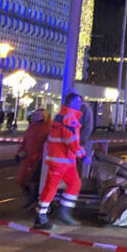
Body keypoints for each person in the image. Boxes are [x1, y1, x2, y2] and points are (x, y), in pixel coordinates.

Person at [34, 93, 87, 230]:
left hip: (64, 160)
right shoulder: (70, 118)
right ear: (71, 103)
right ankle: (41, 217)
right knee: (51, 187)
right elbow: (71, 140)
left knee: (74, 183)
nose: (80, 104)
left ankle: (63, 213)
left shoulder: (62, 116)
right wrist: (83, 155)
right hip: (61, 160)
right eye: (78, 102)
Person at [15, 109, 51, 206]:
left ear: (44, 116)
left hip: (39, 159)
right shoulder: (32, 127)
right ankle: (30, 199)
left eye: (38, 114)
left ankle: (35, 200)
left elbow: (48, 144)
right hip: (28, 158)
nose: (35, 116)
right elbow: (25, 142)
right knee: (22, 180)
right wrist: (19, 153)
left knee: (36, 182)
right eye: (35, 114)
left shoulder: (48, 128)